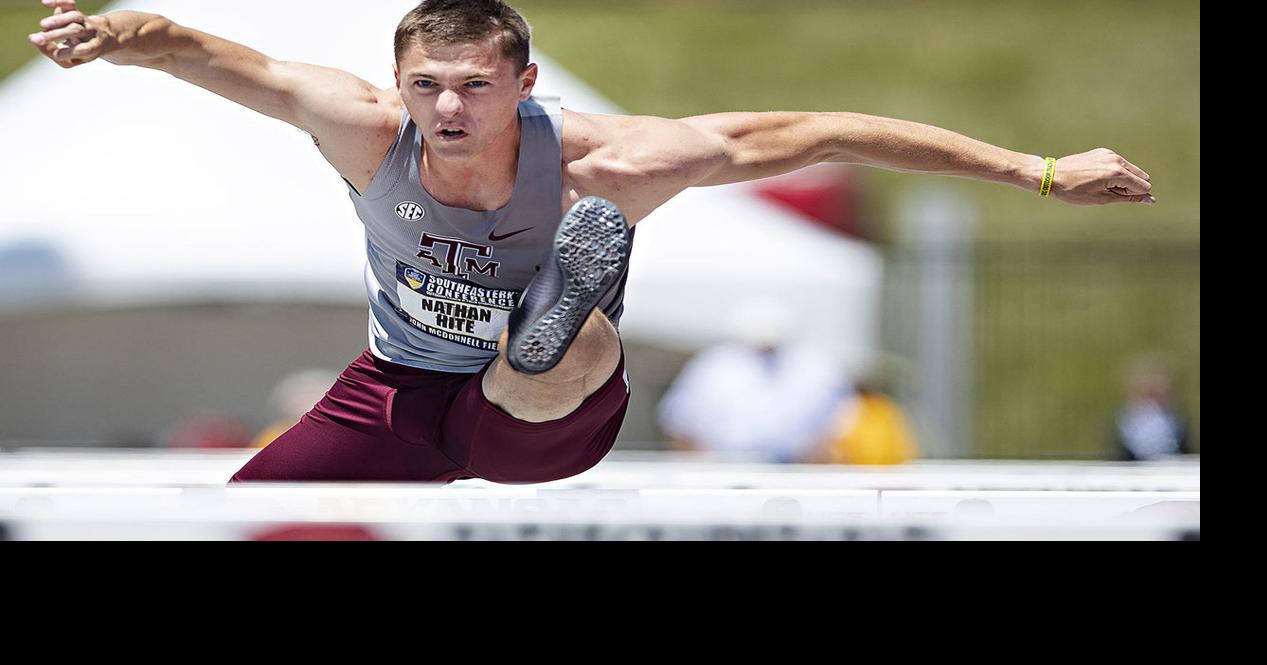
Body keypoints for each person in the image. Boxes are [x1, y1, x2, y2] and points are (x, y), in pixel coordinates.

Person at [28, 0, 1156, 484]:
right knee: (235, 514)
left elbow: (816, 130)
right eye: (427, 87)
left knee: (548, 349)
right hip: (389, 387)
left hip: (543, 409)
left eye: (476, 87)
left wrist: (1035, 170)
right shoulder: (365, 126)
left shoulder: (608, 158)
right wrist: (127, 33)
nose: (449, 111)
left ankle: (560, 309)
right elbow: (232, 62)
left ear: (525, 81)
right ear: (397, 83)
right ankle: (543, 317)